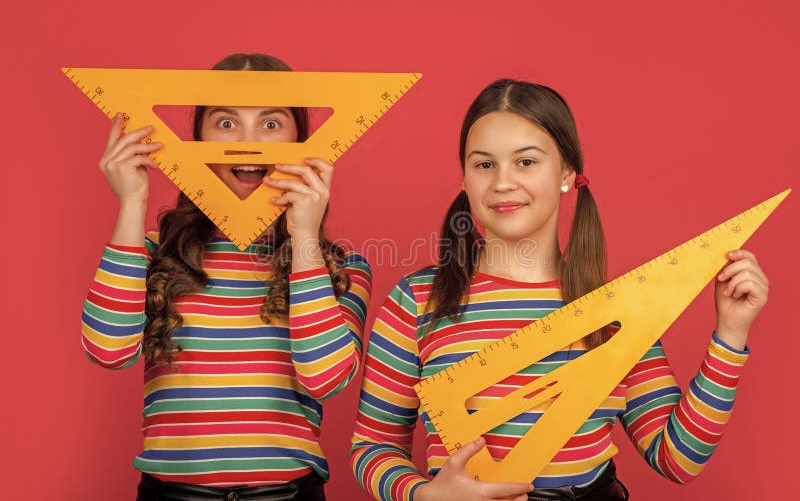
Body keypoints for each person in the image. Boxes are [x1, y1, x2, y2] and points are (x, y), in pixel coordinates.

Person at [350, 79, 767, 501]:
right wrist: (425, 495)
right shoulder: (417, 300)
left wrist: (730, 336)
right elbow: (372, 447)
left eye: (526, 162)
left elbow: (678, 459)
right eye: (484, 164)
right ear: (464, 179)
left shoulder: (615, 310)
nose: (503, 182)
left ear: (567, 173)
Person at [81, 53, 371, 500]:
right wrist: (132, 202)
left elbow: (327, 379)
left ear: (304, 140)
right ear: (197, 138)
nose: (247, 143)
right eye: (226, 122)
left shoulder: (341, 268)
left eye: (271, 124)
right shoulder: (154, 252)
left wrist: (304, 237)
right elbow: (107, 349)